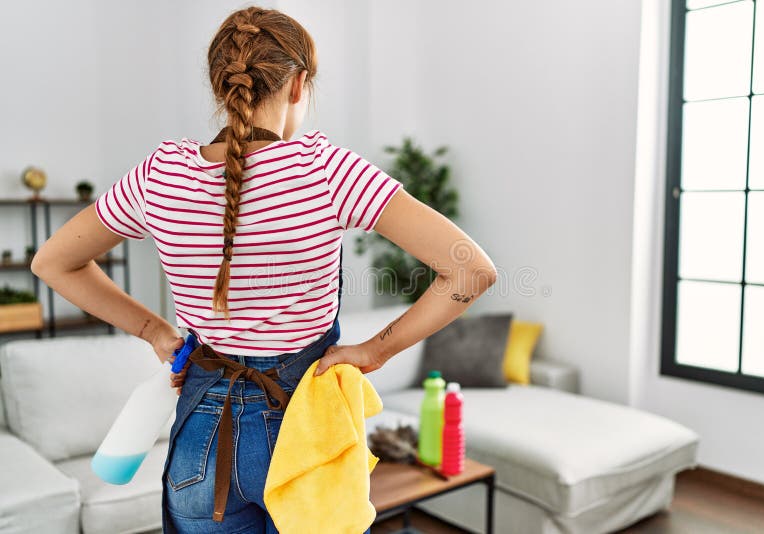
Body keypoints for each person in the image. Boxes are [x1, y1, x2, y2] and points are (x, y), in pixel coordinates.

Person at [31, 6, 497, 534]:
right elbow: (471, 271)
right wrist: (374, 351)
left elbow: (53, 262)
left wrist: (154, 330)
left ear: (219, 84)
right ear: (298, 84)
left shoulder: (159, 174)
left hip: (201, 443)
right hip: (306, 430)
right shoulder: (326, 170)